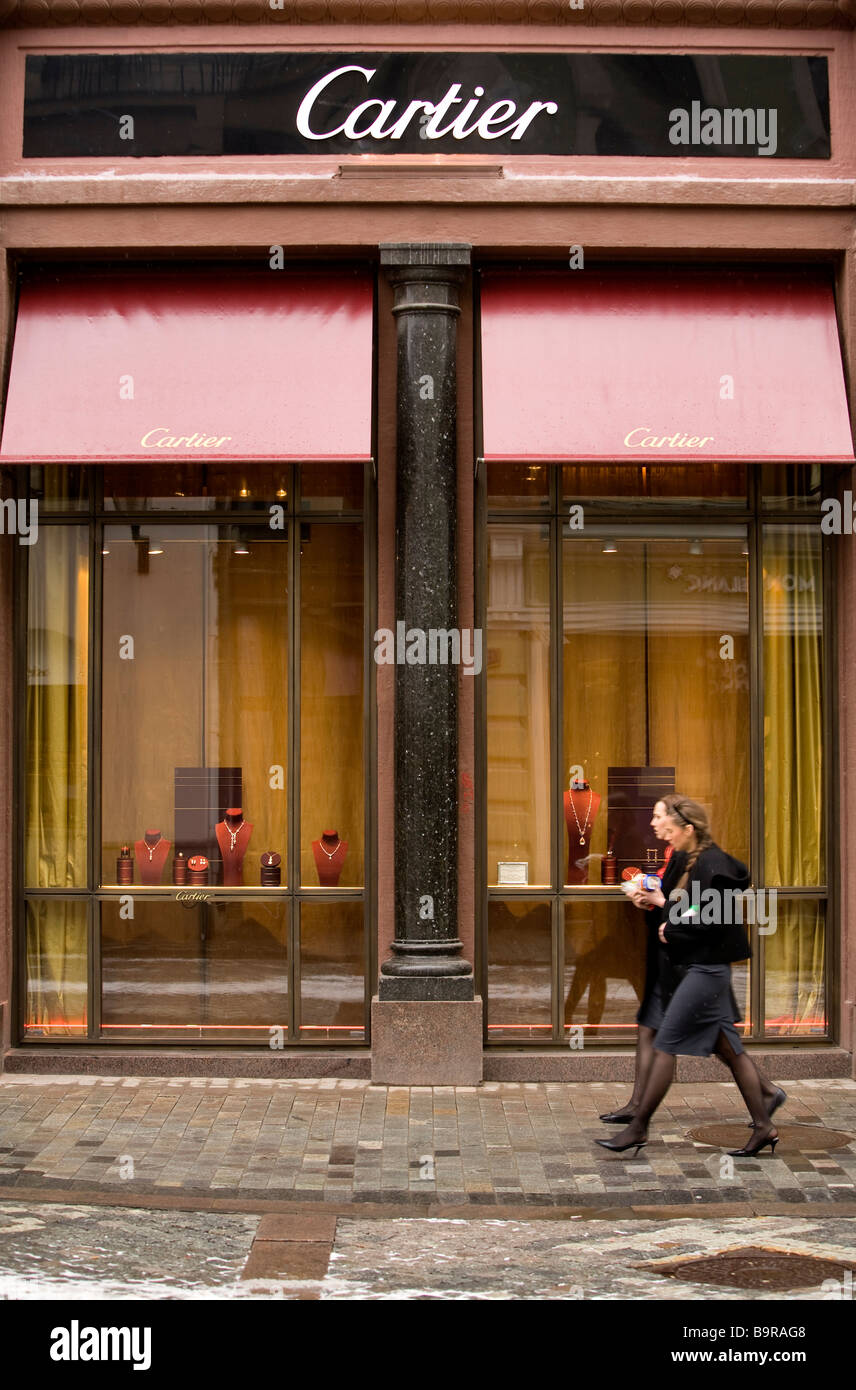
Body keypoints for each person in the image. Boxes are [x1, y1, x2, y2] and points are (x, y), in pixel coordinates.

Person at [596, 797, 786, 1158]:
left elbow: (712, 921)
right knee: (733, 1052)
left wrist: (670, 923)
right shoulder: (690, 862)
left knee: (666, 1045)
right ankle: (764, 1125)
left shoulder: (714, 866)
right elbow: (690, 910)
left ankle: (638, 1128)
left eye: (668, 829)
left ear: (688, 829)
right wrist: (663, 909)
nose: (665, 837)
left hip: (706, 971)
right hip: (695, 967)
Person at [598, 793, 683, 1123]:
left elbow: (694, 907)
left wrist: (656, 901)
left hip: (681, 960)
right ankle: (636, 1109)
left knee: (720, 1043)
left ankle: (763, 1096)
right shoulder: (673, 853)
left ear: (676, 820)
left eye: (658, 816)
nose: (651, 822)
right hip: (665, 954)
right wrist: (644, 892)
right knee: (649, 1027)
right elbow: (665, 890)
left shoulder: (694, 858)